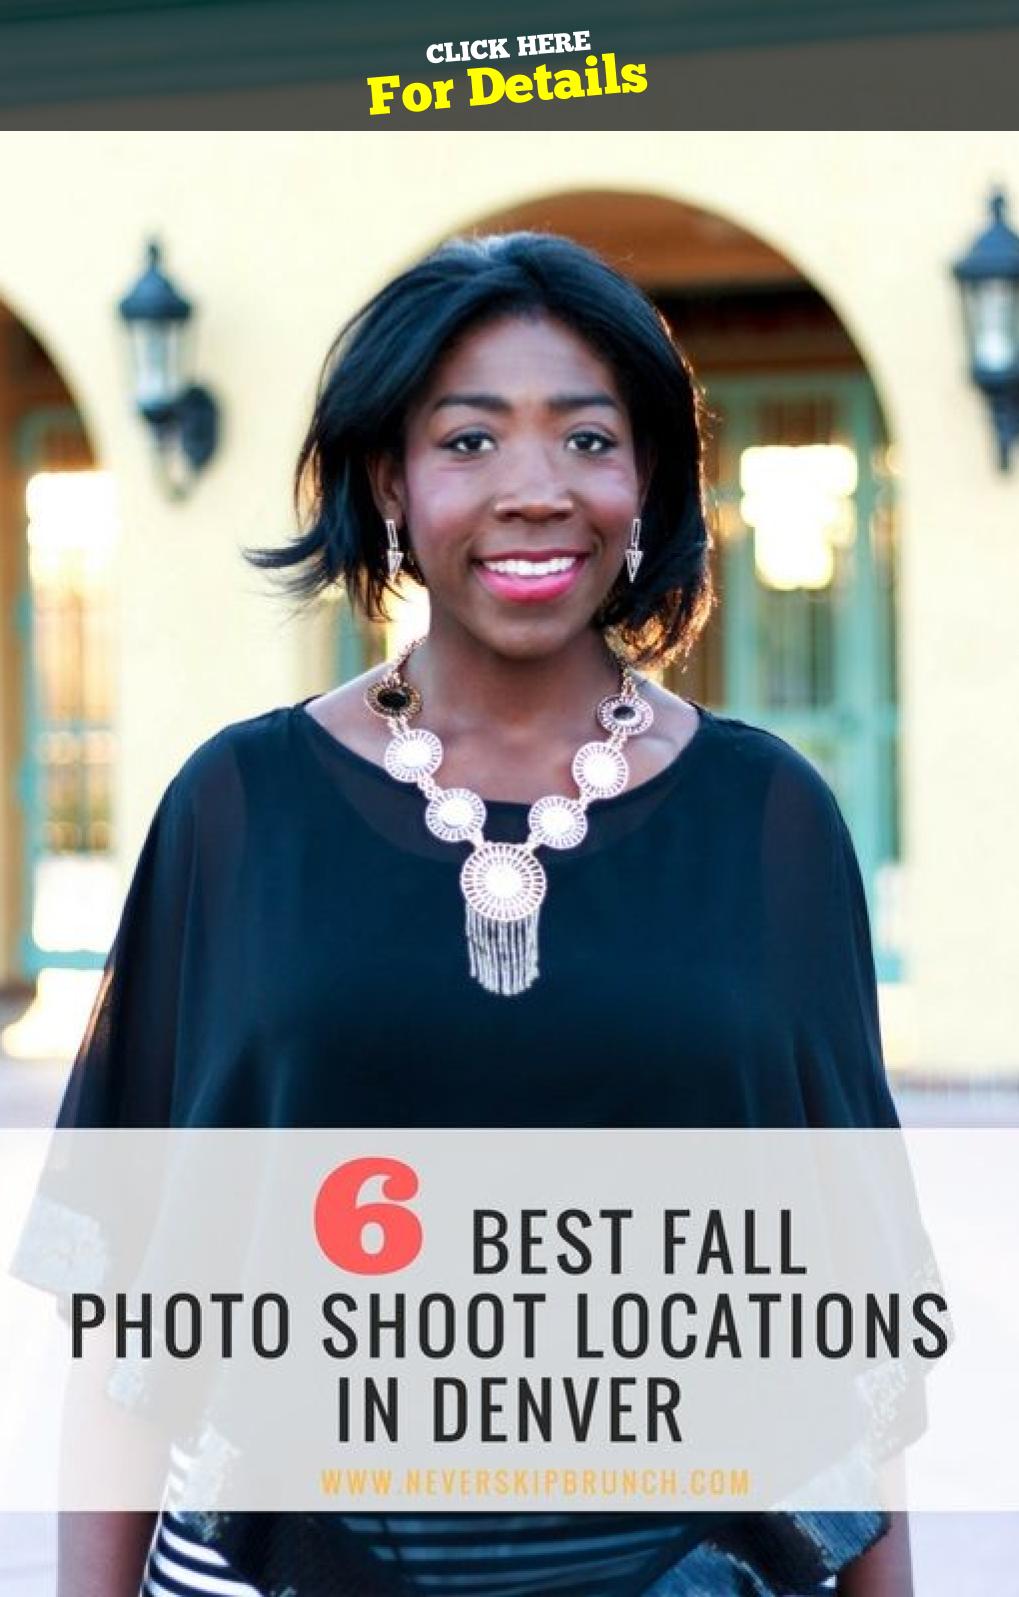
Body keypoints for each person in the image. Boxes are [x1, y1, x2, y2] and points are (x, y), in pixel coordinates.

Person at [55, 232, 915, 1595]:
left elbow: (842, 1322)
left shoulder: (772, 822)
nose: (534, 491)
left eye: (587, 440)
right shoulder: (237, 810)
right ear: (389, 477)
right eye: (467, 442)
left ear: (647, 487)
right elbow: (128, 1314)